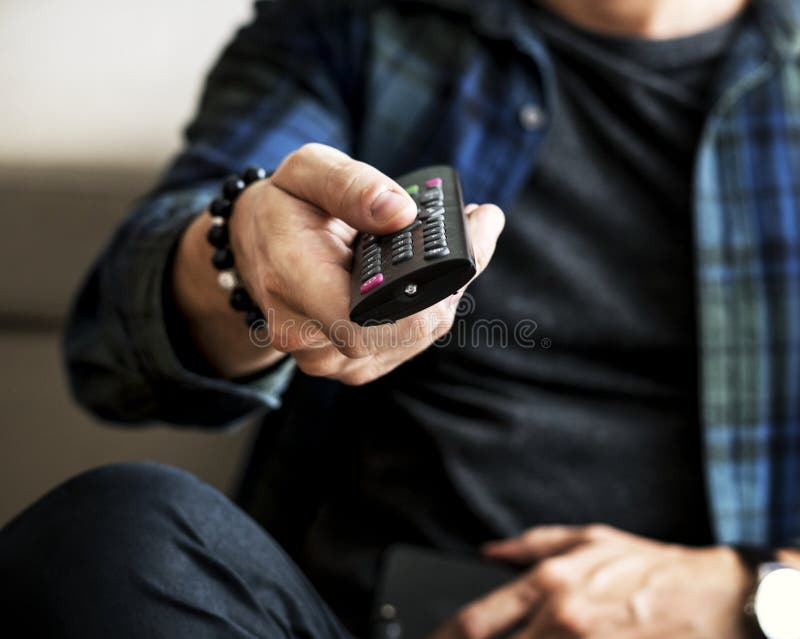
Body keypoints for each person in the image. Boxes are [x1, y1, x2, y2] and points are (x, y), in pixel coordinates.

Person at [2, 0, 799, 636]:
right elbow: (113, 345)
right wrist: (242, 255)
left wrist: (756, 595)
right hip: (340, 617)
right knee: (115, 534)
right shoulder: (356, 26)